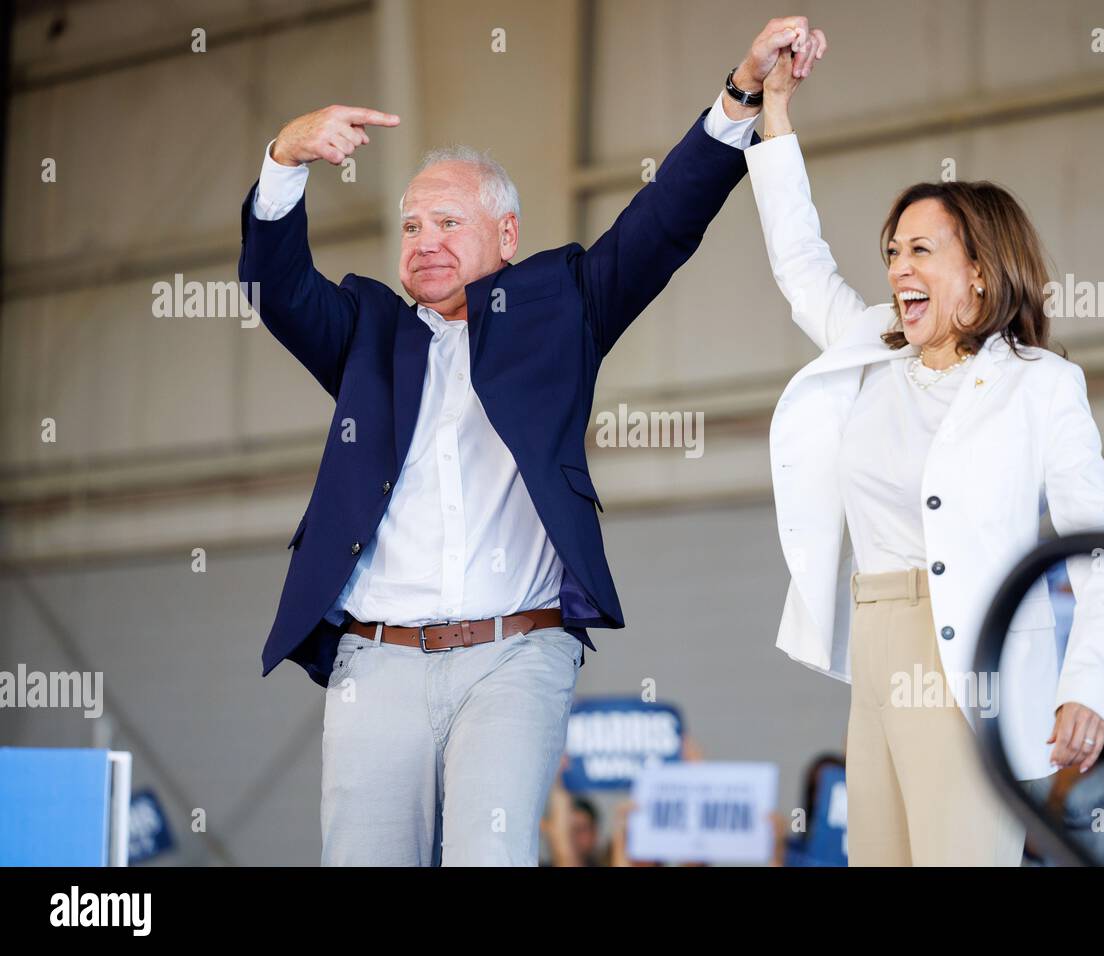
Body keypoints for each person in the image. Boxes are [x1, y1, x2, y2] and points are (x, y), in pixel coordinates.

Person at [237, 16, 825, 866]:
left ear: (505, 237)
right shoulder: (365, 329)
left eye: (448, 221)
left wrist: (739, 91)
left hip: (516, 654)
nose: (424, 241)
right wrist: (284, 158)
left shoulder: (562, 308)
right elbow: (275, 284)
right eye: (411, 227)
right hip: (377, 657)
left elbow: (660, 224)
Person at [744, 46, 1104, 865]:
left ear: (980, 276)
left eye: (922, 250)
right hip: (875, 652)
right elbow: (799, 260)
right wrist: (773, 110)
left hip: (971, 668)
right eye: (892, 251)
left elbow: (1097, 541)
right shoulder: (871, 354)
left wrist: (1085, 686)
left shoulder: (1042, 386)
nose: (897, 269)